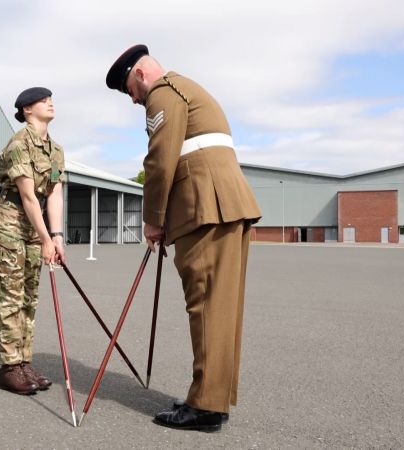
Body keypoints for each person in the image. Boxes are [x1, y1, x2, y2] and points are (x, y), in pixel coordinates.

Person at [105, 45, 261, 431]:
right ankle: (212, 398)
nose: (134, 100)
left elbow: (160, 158)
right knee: (221, 309)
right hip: (226, 205)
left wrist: (154, 219)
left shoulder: (163, 91)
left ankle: (205, 406)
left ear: (140, 75)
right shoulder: (189, 88)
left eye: (129, 91)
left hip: (203, 209)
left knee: (206, 305)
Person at [0, 87, 67, 395]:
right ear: (27, 110)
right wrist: (46, 238)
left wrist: (56, 238)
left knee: (30, 296)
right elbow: (28, 195)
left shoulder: (56, 150)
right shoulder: (19, 143)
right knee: (10, 296)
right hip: (8, 225)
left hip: (35, 229)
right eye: (42, 100)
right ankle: (9, 368)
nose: (50, 101)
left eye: (50, 98)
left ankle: (24, 362)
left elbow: (54, 193)